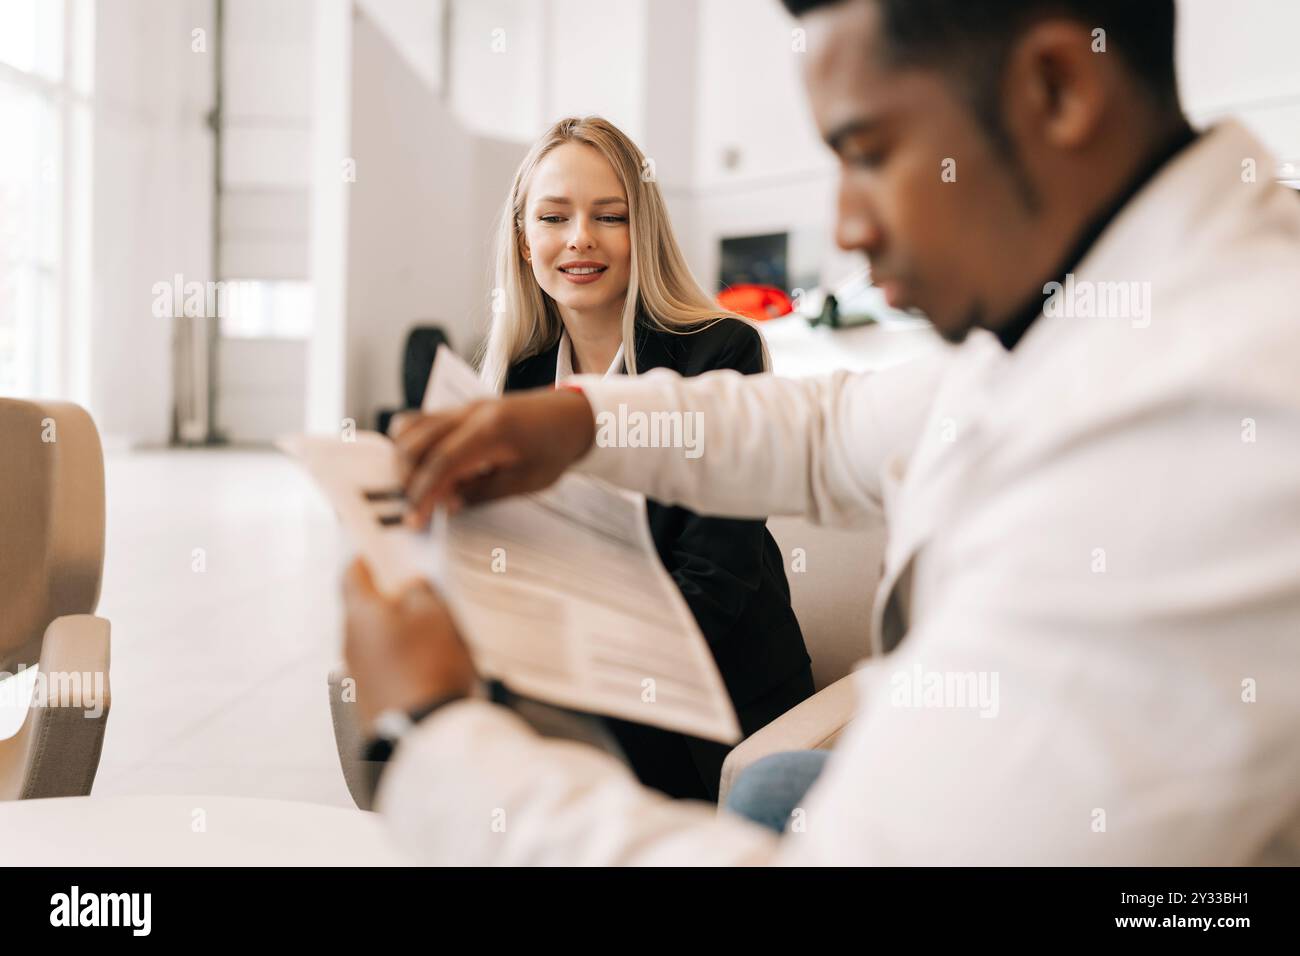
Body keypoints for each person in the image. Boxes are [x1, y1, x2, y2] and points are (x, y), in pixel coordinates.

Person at [342, 0, 1300, 864]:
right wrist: (579, 418)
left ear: (1057, 89)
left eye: (868, 151)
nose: (843, 226)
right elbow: (828, 425)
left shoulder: (1210, 423)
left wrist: (436, 744)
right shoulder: (1097, 309)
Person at [472, 114, 813, 801]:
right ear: (522, 237)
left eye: (609, 216)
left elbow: (714, 577)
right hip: (577, 679)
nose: (579, 239)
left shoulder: (721, 353)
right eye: (553, 216)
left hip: (707, 698)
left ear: (644, 229)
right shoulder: (516, 379)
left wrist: (583, 669)